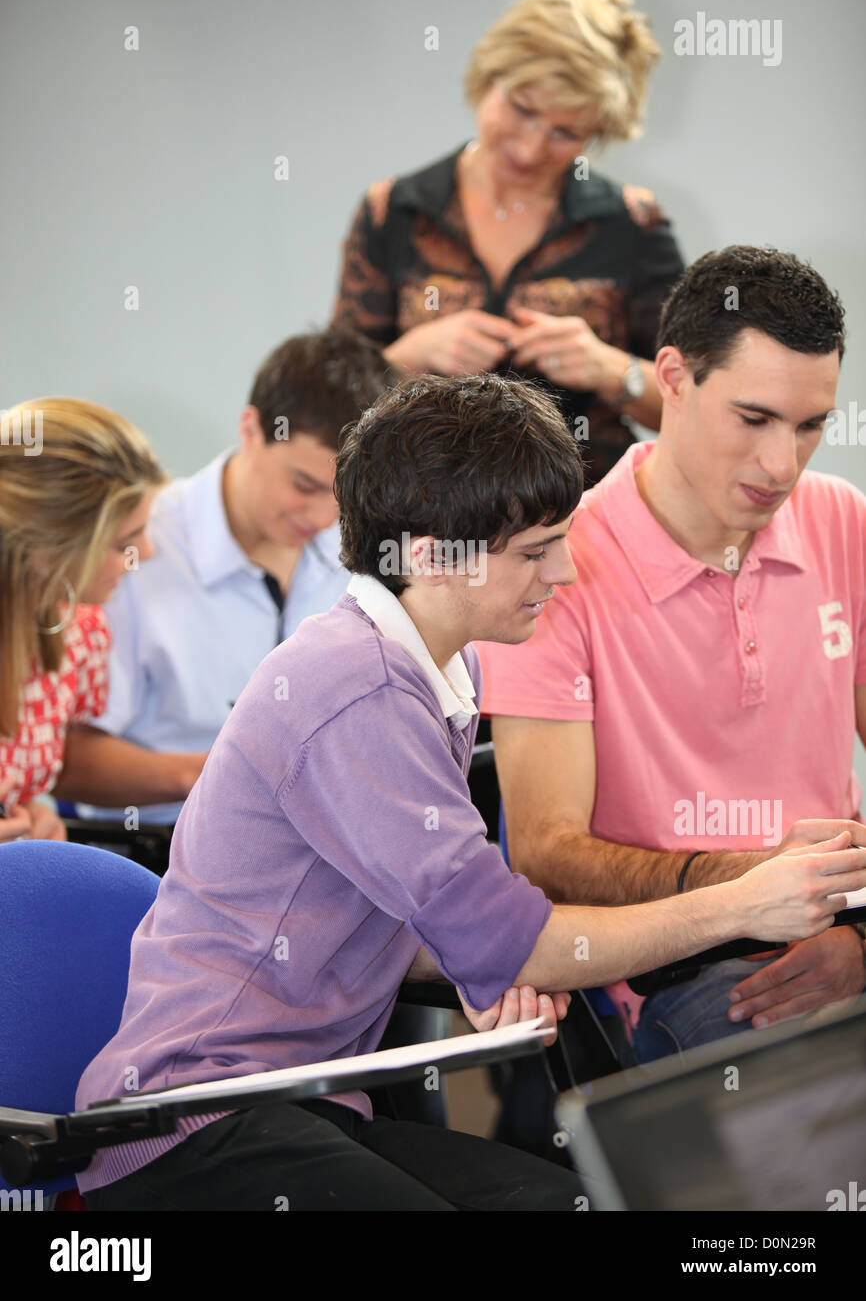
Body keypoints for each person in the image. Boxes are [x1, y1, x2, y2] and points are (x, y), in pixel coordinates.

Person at [75, 374, 865, 1212]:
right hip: (194, 1123)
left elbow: (433, 927)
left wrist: (477, 955)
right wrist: (743, 904)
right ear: (428, 556)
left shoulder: (440, 666)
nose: (564, 569)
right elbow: (510, 941)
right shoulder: (357, 687)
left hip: (306, 1100)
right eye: (535, 551)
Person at [476, 246, 866, 1075]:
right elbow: (543, 853)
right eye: (754, 419)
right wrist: (754, 885)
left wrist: (858, 936)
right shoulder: (555, 563)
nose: (782, 466)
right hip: (682, 968)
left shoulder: (843, 522)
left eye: (810, 426)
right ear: (674, 378)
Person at [333, 0, 685, 486]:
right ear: (487, 77)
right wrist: (409, 357)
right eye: (522, 109)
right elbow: (327, 407)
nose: (530, 148)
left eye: (565, 133)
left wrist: (611, 370)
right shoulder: (395, 212)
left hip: (581, 527)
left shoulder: (632, 225)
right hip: (424, 519)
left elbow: (698, 403)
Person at [56, 327, 392, 826]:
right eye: (303, 484)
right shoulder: (129, 548)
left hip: (317, 855)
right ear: (251, 429)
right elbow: (61, 758)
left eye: (341, 495)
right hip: (156, 857)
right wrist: (215, 775)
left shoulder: (366, 552)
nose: (323, 517)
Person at [0, 398, 164, 843]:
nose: (146, 553)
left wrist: (36, 813)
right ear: (47, 553)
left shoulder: (79, 631)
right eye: (125, 542)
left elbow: (23, 789)